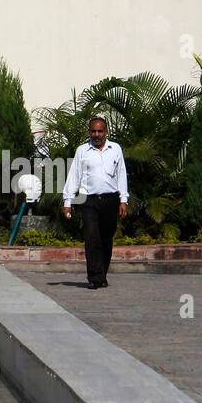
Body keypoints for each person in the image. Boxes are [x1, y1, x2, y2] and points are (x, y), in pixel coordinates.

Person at [62, 114, 129, 288]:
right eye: (93, 131)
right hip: (89, 200)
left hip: (110, 200)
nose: (96, 135)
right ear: (89, 132)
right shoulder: (82, 151)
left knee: (106, 239)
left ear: (106, 132)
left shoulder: (115, 149)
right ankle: (94, 278)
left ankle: (102, 274)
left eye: (100, 131)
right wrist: (67, 201)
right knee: (91, 238)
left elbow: (121, 174)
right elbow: (74, 175)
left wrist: (123, 199)